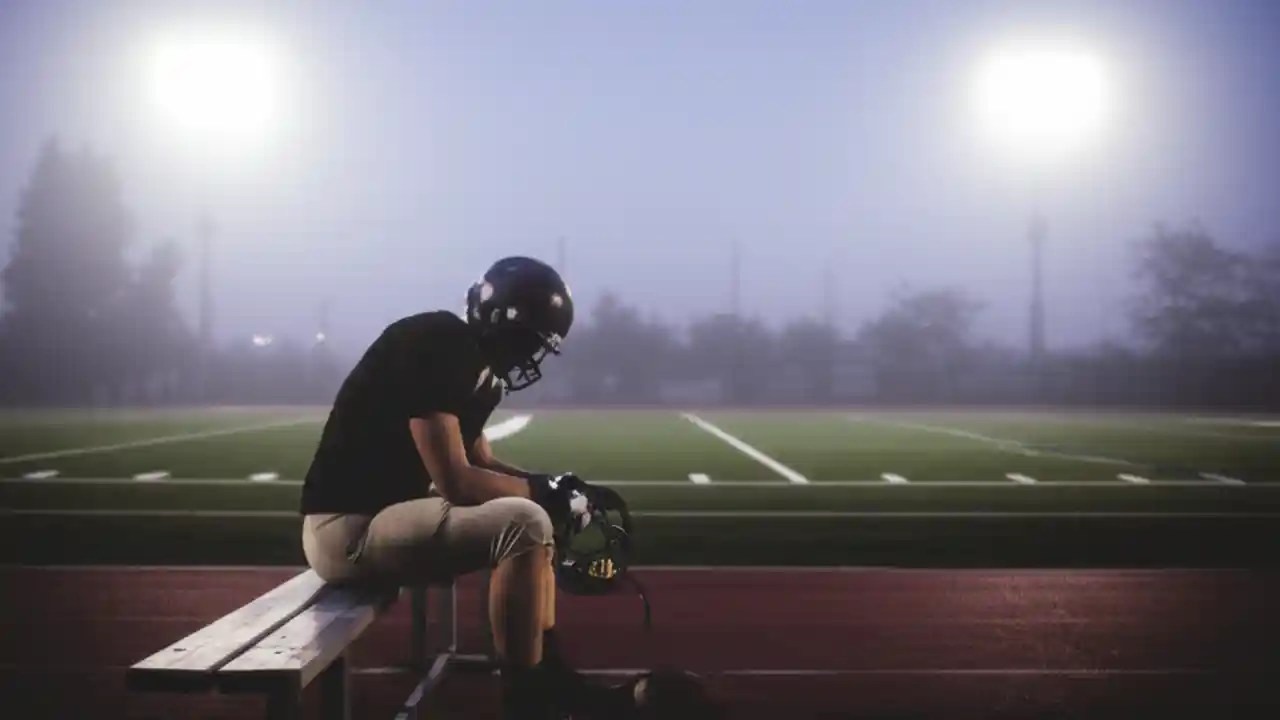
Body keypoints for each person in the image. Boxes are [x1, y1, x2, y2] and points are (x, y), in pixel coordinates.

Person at [298, 257, 708, 719]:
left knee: (533, 514)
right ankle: (527, 699)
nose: (531, 357)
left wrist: (553, 487)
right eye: (531, 342)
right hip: (347, 528)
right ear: (504, 321)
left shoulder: (476, 369)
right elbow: (456, 481)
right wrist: (543, 495)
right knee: (525, 521)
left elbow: (483, 463)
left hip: (385, 515)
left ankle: (549, 674)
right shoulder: (440, 342)